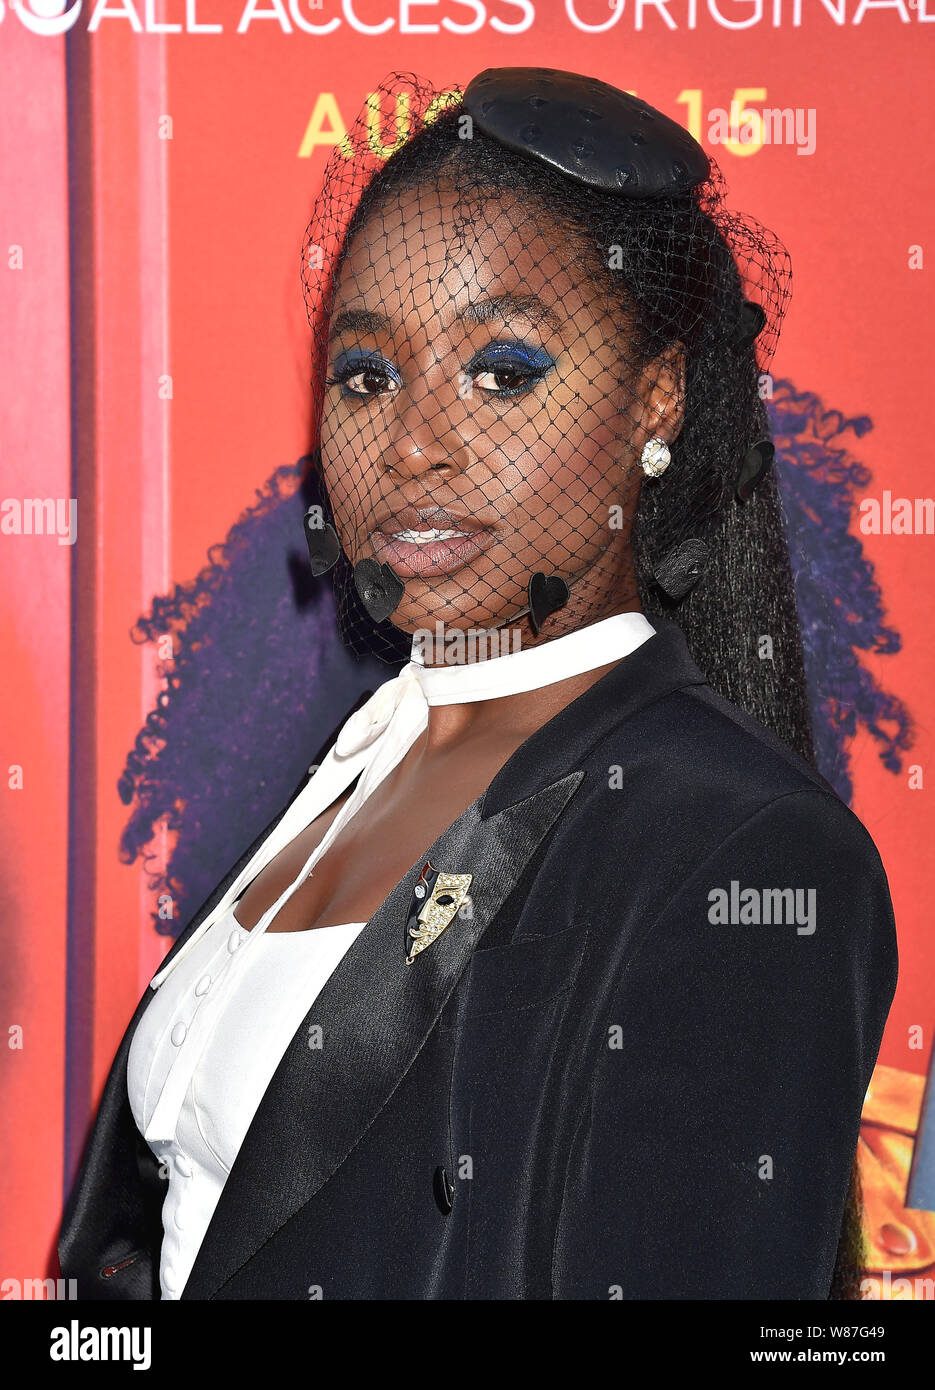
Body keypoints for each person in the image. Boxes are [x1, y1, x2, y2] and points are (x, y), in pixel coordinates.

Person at [59, 67, 898, 1300]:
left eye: (502, 372)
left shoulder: (744, 852)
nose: (411, 443)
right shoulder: (357, 763)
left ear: (651, 401)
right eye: (366, 375)